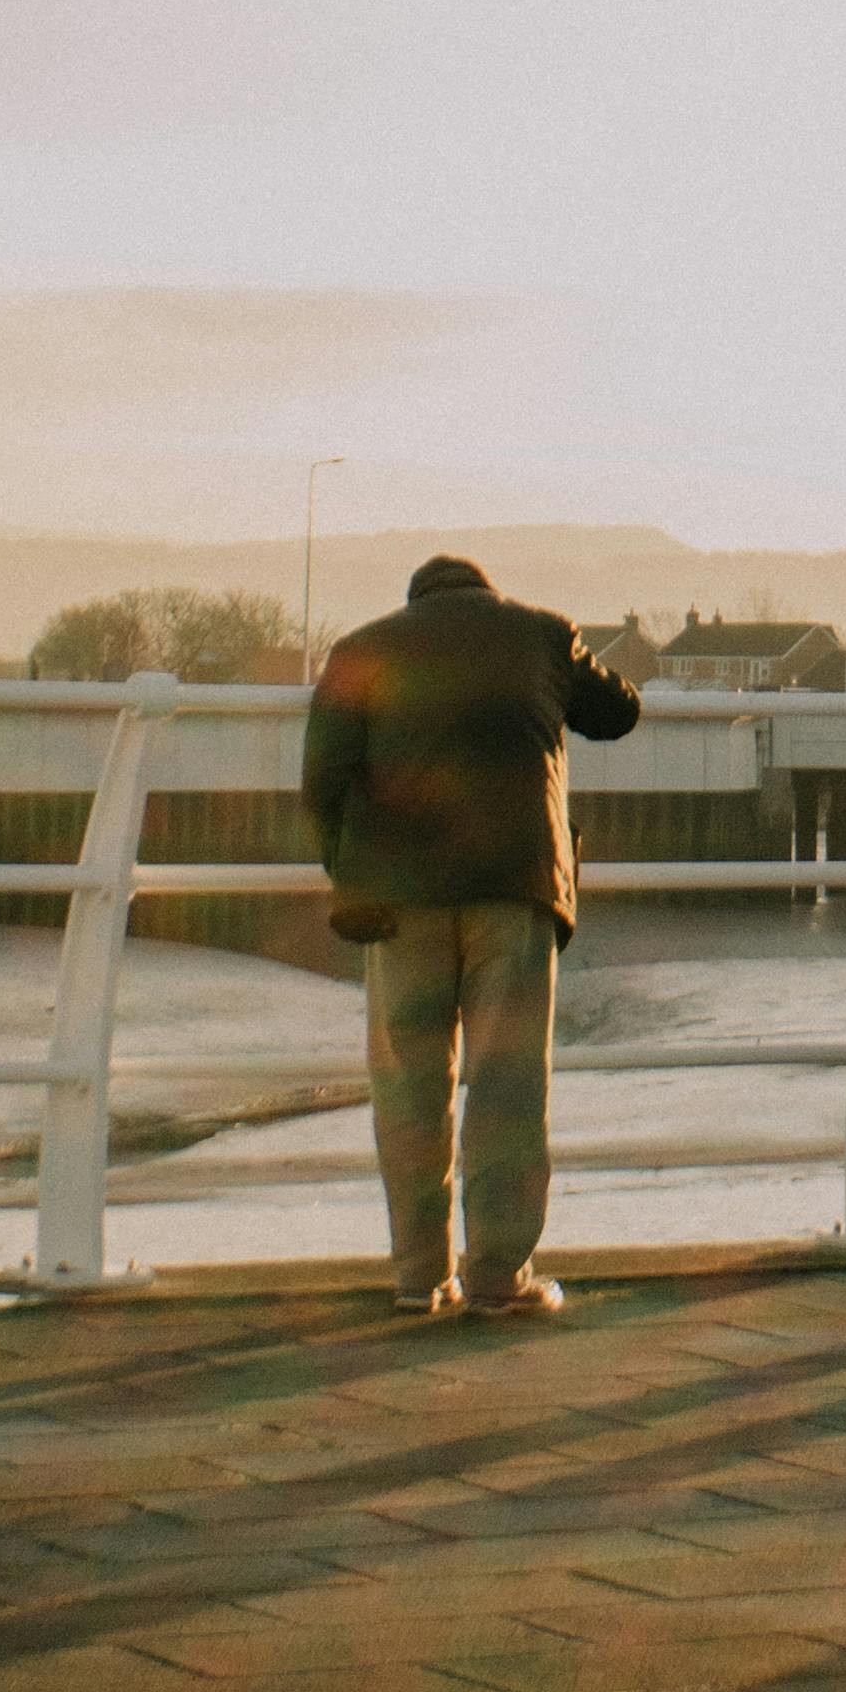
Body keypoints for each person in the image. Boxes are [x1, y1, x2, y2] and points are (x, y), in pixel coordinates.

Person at [300, 551, 642, 1321]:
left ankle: (419, 1278)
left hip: (402, 899)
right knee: (508, 1084)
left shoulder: (363, 649)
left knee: (408, 1084)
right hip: (514, 888)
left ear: (415, 596)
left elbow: (321, 779)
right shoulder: (542, 634)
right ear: (488, 590)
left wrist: (350, 873)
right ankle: (499, 1277)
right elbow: (618, 712)